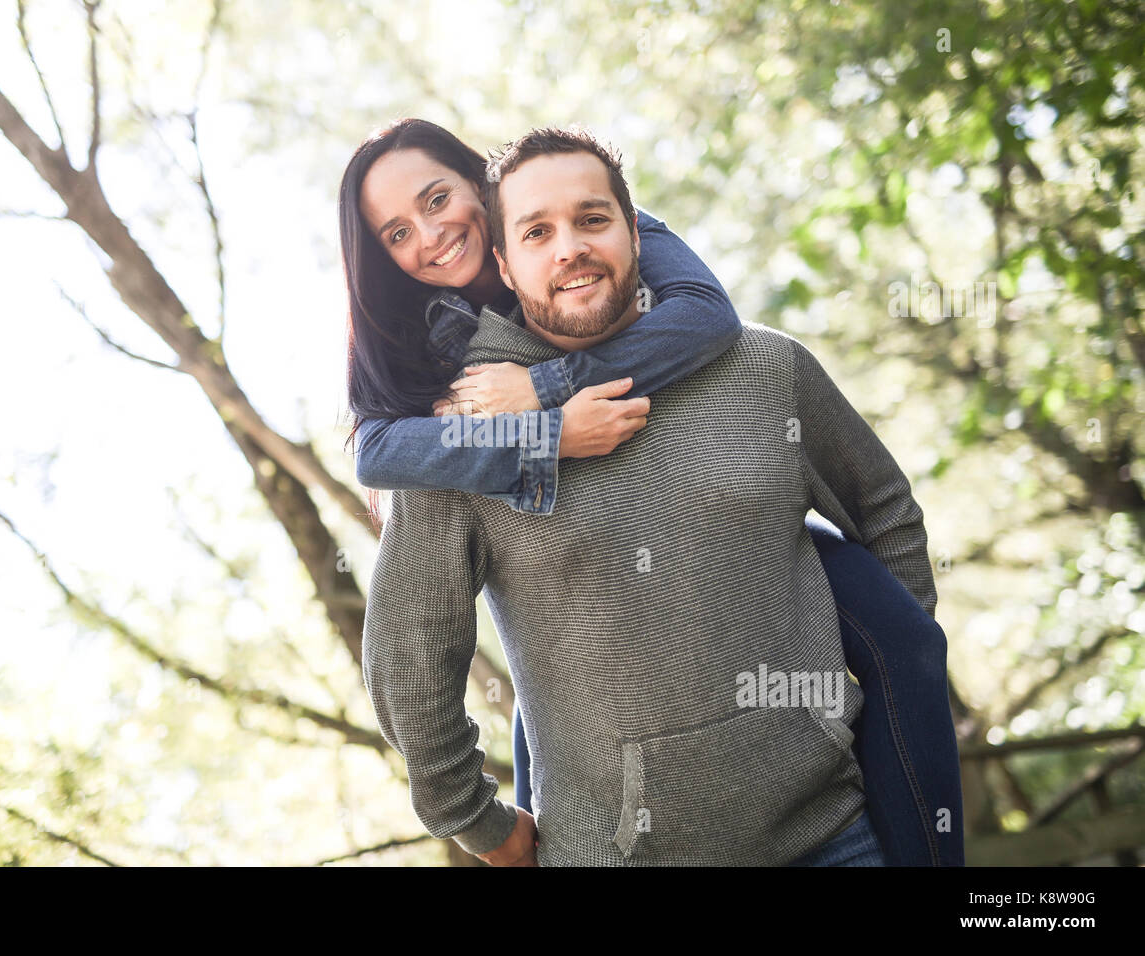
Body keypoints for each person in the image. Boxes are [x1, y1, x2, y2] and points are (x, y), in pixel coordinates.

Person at [340, 119, 963, 866]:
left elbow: (887, 514)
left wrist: (870, 719)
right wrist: (478, 822)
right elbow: (407, 659)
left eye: (592, 220)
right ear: (507, 262)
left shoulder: (763, 368)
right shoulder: (461, 435)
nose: (569, 246)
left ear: (637, 231)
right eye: (537, 232)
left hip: (833, 837)